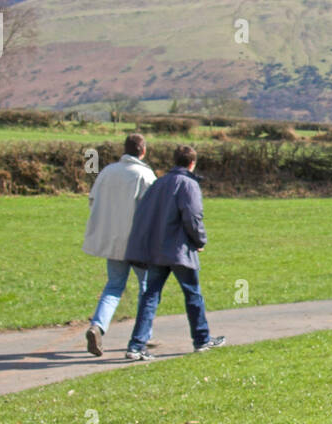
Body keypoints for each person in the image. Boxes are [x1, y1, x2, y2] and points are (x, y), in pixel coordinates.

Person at [124, 144, 225, 359]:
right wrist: (200, 240)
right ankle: (201, 339)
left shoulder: (159, 183)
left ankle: (136, 344)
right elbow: (192, 216)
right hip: (179, 250)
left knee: (150, 296)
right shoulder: (188, 184)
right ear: (192, 163)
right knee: (193, 295)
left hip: (157, 250)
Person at [82, 133, 156, 356]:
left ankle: (98, 325)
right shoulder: (144, 174)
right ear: (143, 151)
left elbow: (92, 200)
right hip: (137, 244)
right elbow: (152, 210)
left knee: (113, 286)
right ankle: (142, 335)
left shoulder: (107, 172)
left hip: (113, 241)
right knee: (146, 289)